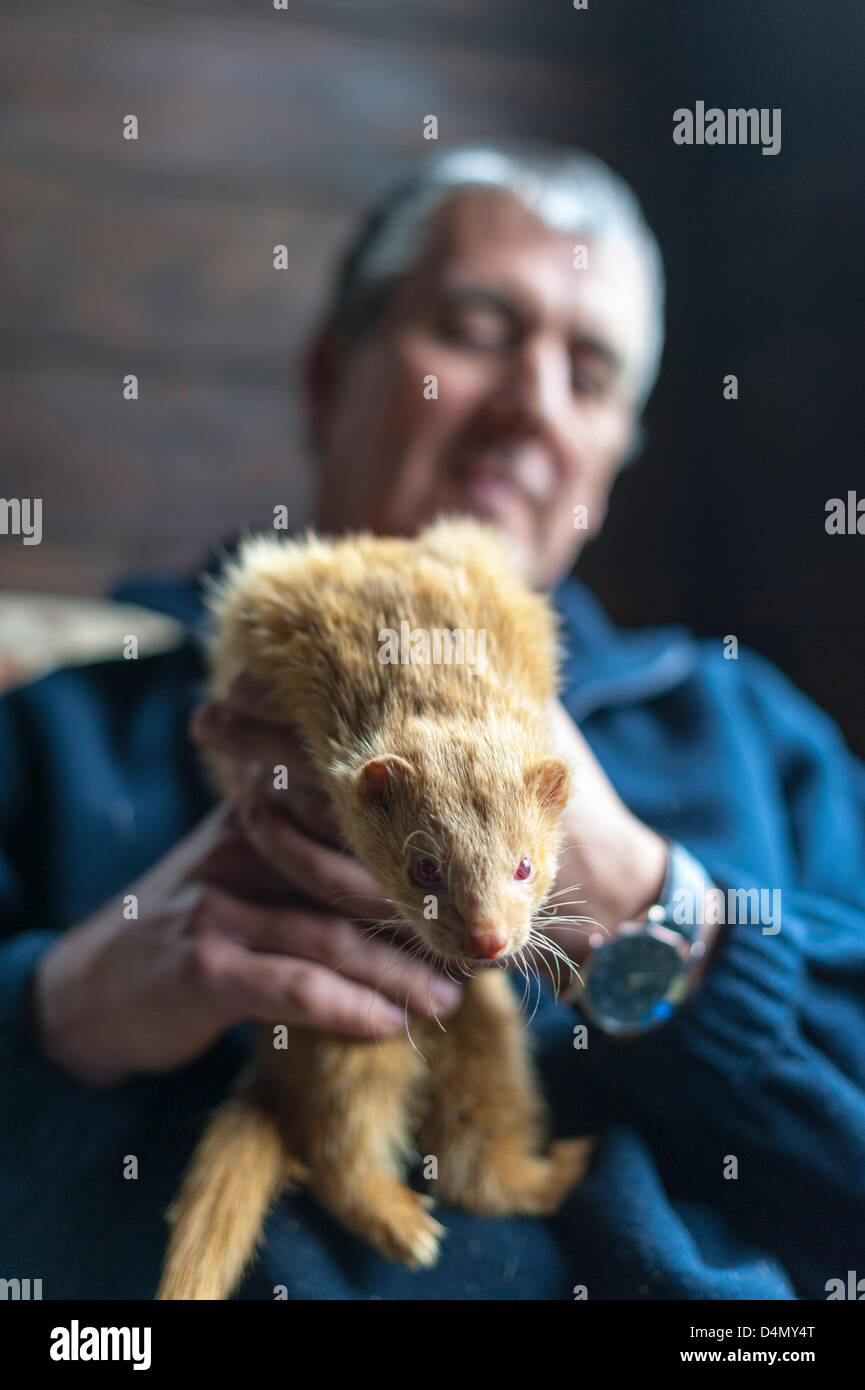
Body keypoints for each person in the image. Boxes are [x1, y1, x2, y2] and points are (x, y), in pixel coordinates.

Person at [1, 141, 863, 1301]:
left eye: (590, 376)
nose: (530, 410)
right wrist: (57, 1013)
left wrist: (655, 917)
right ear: (328, 377)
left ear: (605, 468)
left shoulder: (753, 738)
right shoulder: (64, 735)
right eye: (474, 331)